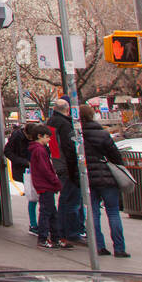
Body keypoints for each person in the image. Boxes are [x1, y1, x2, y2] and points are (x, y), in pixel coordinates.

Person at [79, 104, 129, 258]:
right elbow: (115, 155)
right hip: (106, 177)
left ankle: (99, 246)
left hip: (88, 177)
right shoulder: (103, 134)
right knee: (113, 212)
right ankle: (119, 248)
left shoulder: (77, 136)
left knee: (93, 213)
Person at [46, 98, 86, 245]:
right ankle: (71, 232)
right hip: (67, 167)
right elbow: (69, 149)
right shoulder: (64, 125)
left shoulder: (51, 123)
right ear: (67, 109)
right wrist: (74, 170)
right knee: (72, 201)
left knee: (65, 200)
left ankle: (62, 231)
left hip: (58, 164)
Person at [26, 122, 66, 249]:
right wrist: (55, 181)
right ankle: (44, 238)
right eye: (47, 137)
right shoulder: (39, 150)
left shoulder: (37, 150)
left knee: (51, 212)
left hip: (43, 185)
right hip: (46, 185)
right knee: (47, 212)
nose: (49, 140)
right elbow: (45, 169)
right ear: (39, 136)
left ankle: (54, 238)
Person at [4, 122, 37, 233]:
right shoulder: (17, 136)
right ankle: (33, 224)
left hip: (33, 168)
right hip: (25, 170)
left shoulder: (33, 137)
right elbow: (7, 151)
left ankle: (35, 223)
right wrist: (24, 162)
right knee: (32, 197)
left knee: (36, 197)